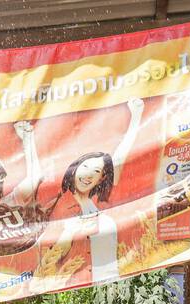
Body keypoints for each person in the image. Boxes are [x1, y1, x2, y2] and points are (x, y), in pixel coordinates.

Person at [44, 98, 145, 284]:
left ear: (101, 178)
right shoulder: (61, 205)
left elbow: (122, 156)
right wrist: (70, 231)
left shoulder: (101, 201)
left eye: (97, 171)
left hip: (113, 283)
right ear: (74, 169)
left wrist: (136, 116)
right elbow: (53, 252)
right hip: (77, 287)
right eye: (85, 166)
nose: (88, 174)